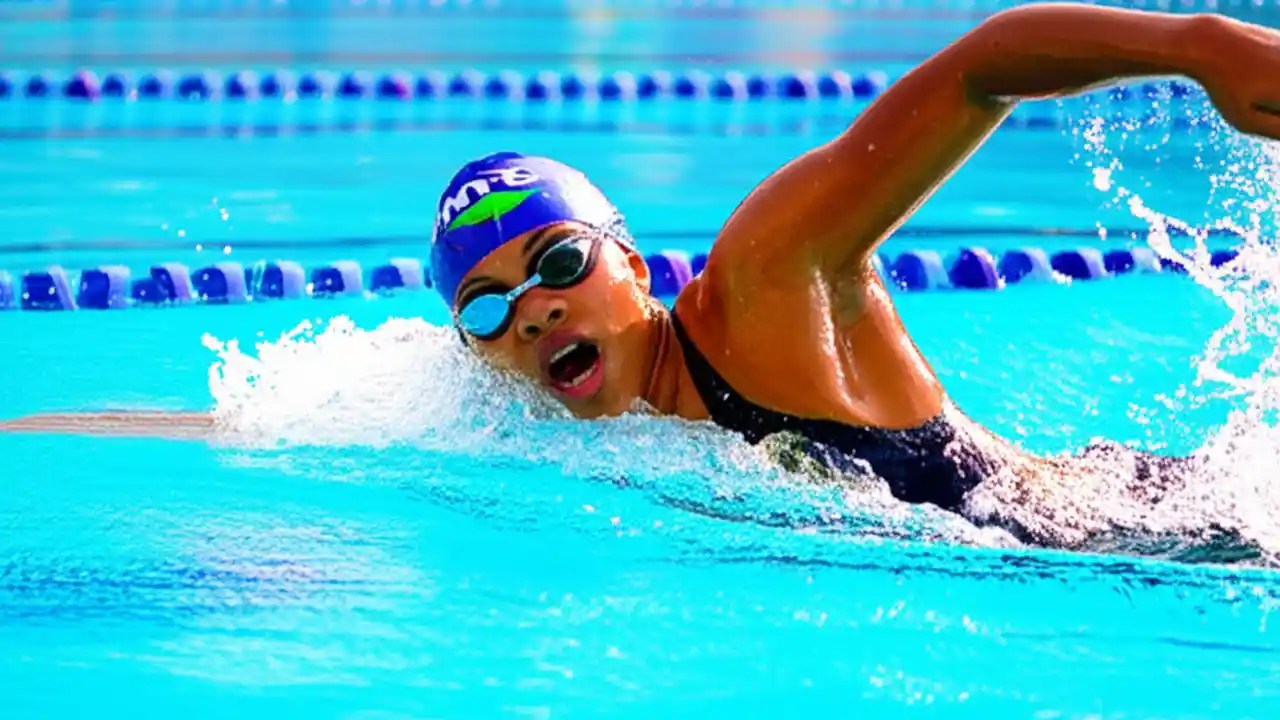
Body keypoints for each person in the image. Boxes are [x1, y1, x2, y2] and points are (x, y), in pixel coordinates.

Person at [5, 4, 1280, 550]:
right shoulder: (494, 403)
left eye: (556, 264)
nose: (535, 310)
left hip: (1152, 526)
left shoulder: (768, 281)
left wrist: (1201, 45)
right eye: (491, 310)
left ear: (630, 260)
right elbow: (261, 422)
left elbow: (980, 67)